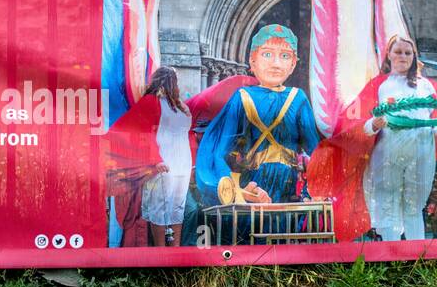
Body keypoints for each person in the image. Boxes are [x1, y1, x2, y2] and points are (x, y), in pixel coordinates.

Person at [306, 35, 437, 243]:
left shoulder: (426, 86)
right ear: (389, 56)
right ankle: (390, 254)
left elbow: (436, 125)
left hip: (420, 153)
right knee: (387, 205)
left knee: (414, 205)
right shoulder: (379, 85)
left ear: (413, 56)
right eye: (398, 52)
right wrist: (374, 124)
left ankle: (417, 255)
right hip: (387, 154)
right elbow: (361, 121)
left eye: (407, 52)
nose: (403, 56)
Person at [194, 24, 319, 209]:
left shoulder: (298, 98)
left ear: (292, 64)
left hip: (288, 190)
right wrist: (237, 190)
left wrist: (311, 191)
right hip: (253, 185)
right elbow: (219, 153)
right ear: (252, 61)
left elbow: (317, 153)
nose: (276, 64)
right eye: (267, 54)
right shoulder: (242, 98)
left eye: (284, 56)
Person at [106, 66, 195, 246]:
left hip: (178, 163)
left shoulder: (181, 106)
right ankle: (163, 251)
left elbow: (185, 136)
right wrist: (155, 159)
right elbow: (141, 132)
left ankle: (174, 250)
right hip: (168, 162)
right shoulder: (159, 102)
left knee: (175, 205)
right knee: (163, 206)